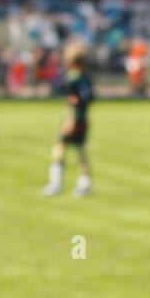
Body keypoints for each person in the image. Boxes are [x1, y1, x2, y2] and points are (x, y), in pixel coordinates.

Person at [42, 43, 93, 197]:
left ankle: (55, 184)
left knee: (59, 148)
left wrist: (70, 121)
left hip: (73, 120)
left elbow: (73, 101)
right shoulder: (86, 78)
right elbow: (88, 98)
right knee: (80, 152)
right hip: (83, 119)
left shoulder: (72, 78)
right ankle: (85, 184)